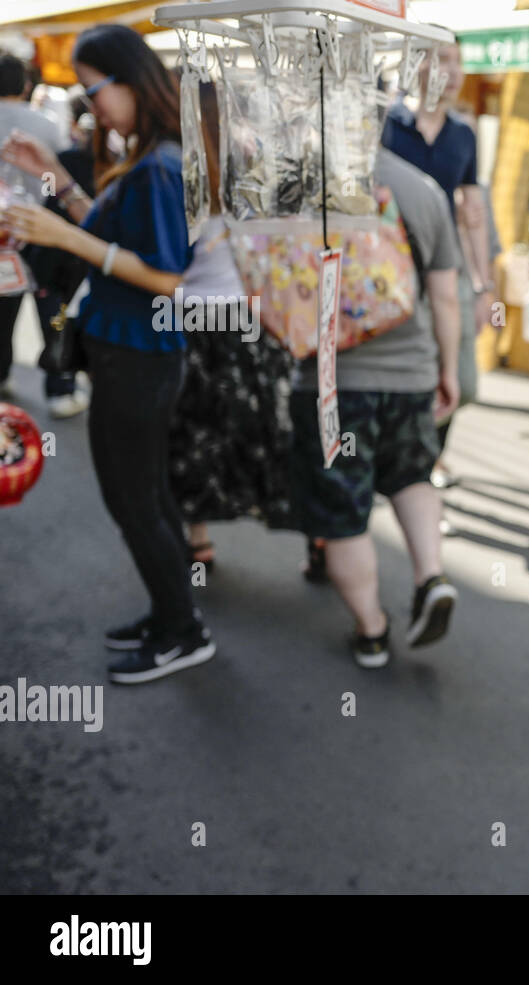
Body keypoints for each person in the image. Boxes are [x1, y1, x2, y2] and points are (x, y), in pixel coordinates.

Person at [0, 25, 215, 684]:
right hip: (134, 352)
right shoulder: (152, 158)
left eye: (95, 90)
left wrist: (64, 234)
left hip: (141, 354)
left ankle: (182, 628)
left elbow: (168, 275)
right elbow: (112, 232)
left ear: (130, 81)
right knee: (146, 493)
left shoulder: (158, 164)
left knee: (133, 499)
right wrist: (57, 180)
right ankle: (172, 613)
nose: (92, 106)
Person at [290, 142, 463, 669]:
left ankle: (372, 632)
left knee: (344, 511)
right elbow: (446, 295)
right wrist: (447, 370)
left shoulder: (295, 186)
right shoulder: (421, 188)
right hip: (410, 373)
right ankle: (429, 575)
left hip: (331, 382)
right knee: (412, 475)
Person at [167, 80, 297, 567]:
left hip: (194, 318)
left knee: (194, 436)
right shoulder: (256, 165)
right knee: (266, 433)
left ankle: (199, 540)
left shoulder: (181, 173)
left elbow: (166, 261)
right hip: (248, 318)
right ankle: (319, 539)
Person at [382, 40, 493, 485]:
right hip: (391, 270)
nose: (454, 70)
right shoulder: (385, 122)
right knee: (407, 372)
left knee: (463, 382)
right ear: (415, 64)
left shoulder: (464, 134)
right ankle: (415, 468)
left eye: (458, 61)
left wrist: (485, 287)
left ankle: (427, 456)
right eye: (441, 58)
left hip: (450, 271)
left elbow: (475, 213)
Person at [0, 51, 74, 412]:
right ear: (26, 84)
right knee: (52, 308)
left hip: (2, 237)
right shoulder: (46, 124)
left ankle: (1, 377)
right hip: (43, 229)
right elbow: (60, 177)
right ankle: (60, 388)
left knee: (1, 311)